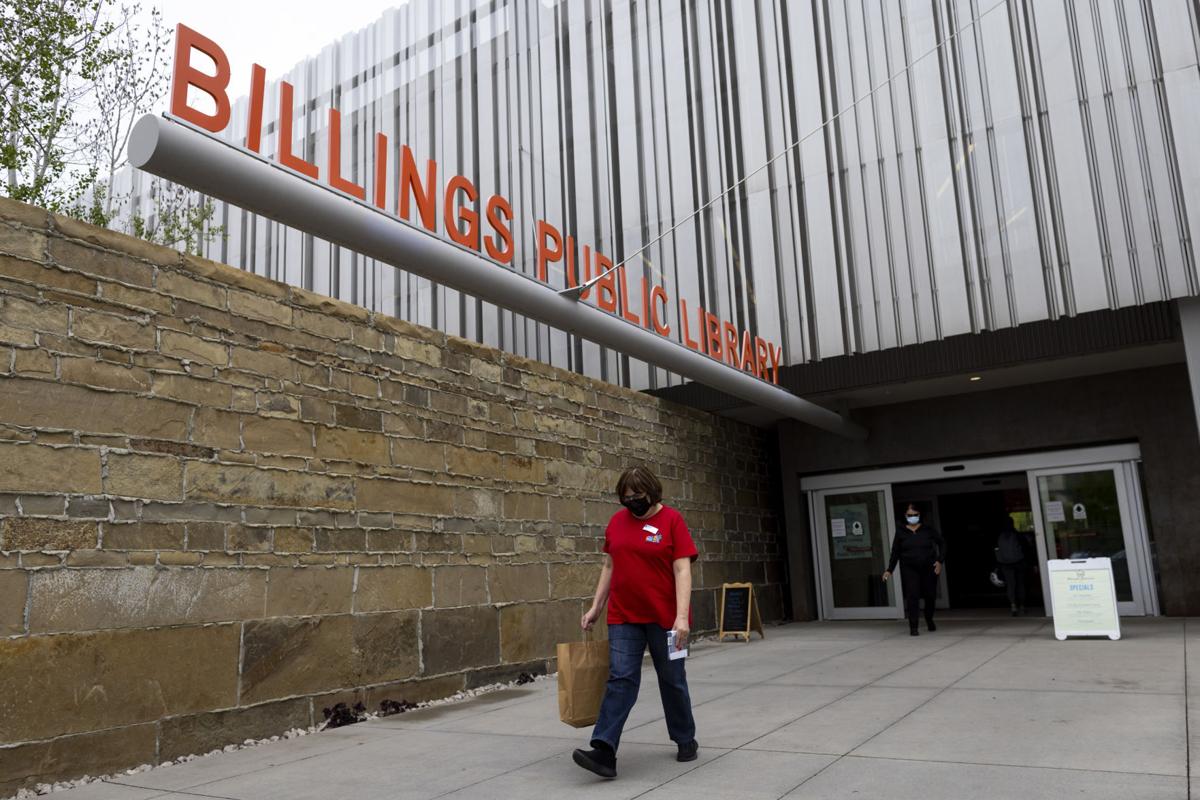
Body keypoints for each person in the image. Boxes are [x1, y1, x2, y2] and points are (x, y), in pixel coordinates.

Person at [572, 466, 699, 780]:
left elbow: (682, 570)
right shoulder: (617, 522)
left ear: (651, 492)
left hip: (665, 619)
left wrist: (682, 617)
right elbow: (609, 564)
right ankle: (604, 749)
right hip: (624, 616)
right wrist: (596, 607)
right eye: (626, 498)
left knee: (672, 679)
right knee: (621, 678)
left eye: (637, 497)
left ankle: (685, 737)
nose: (632, 503)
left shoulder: (672, 521)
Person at [882, 504, 944, 635]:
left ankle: (929, 618)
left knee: (930, 595)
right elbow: (895, 552)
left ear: (919, 515)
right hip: (910, 568)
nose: (913, 517)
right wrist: (889, 570)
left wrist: (939, 561)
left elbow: (942, 543)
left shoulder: (928, 529)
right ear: (905, 516)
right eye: (910, 515)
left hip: (929, 567)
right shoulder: (900, 532)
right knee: (912, 596)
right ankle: (913, 626)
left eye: (915, 515)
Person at [995, 516, 1027, 616]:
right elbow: (1025, 547)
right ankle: (1022, 606)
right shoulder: (1017, 535)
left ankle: (1013, 605)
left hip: (1005, 564)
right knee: (1020, 584)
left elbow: (996, 551)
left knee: (1010, 585)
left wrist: (998, 565)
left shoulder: (999, 536)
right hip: (1019, 562)